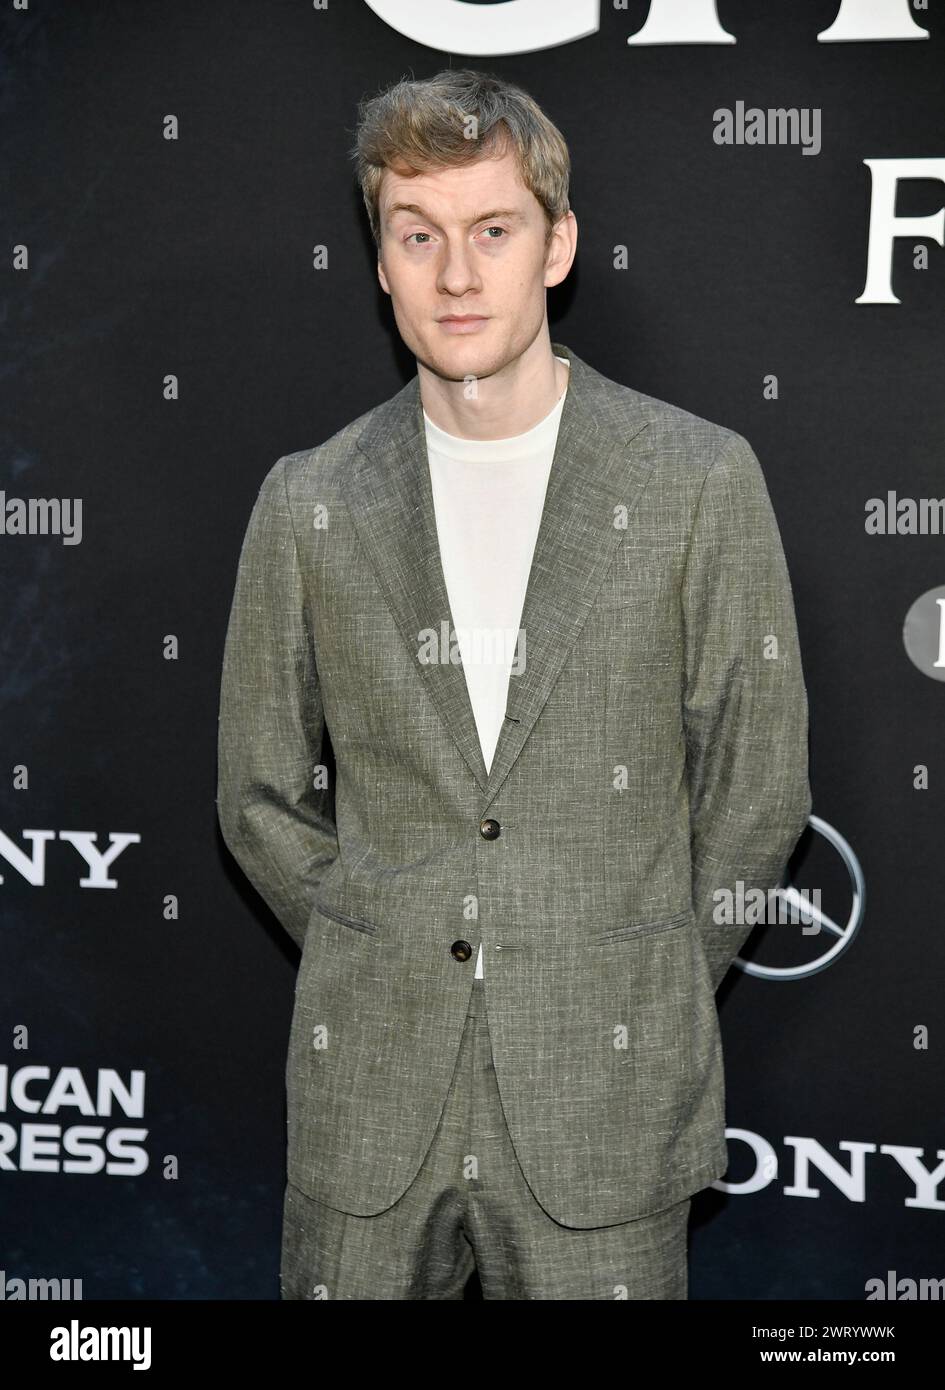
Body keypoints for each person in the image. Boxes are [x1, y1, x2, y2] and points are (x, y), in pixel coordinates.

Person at [216, 68, 811, 1300]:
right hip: (370, 1098)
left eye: (493, 231)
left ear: (559, 244)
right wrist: (382, 940)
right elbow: (260, 794)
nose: (455, 275)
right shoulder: (309, 500)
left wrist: (622, 970)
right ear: (378, 261)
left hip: (606, 1096)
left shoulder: (699, 480)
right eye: (416, 235)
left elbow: (760, 790)